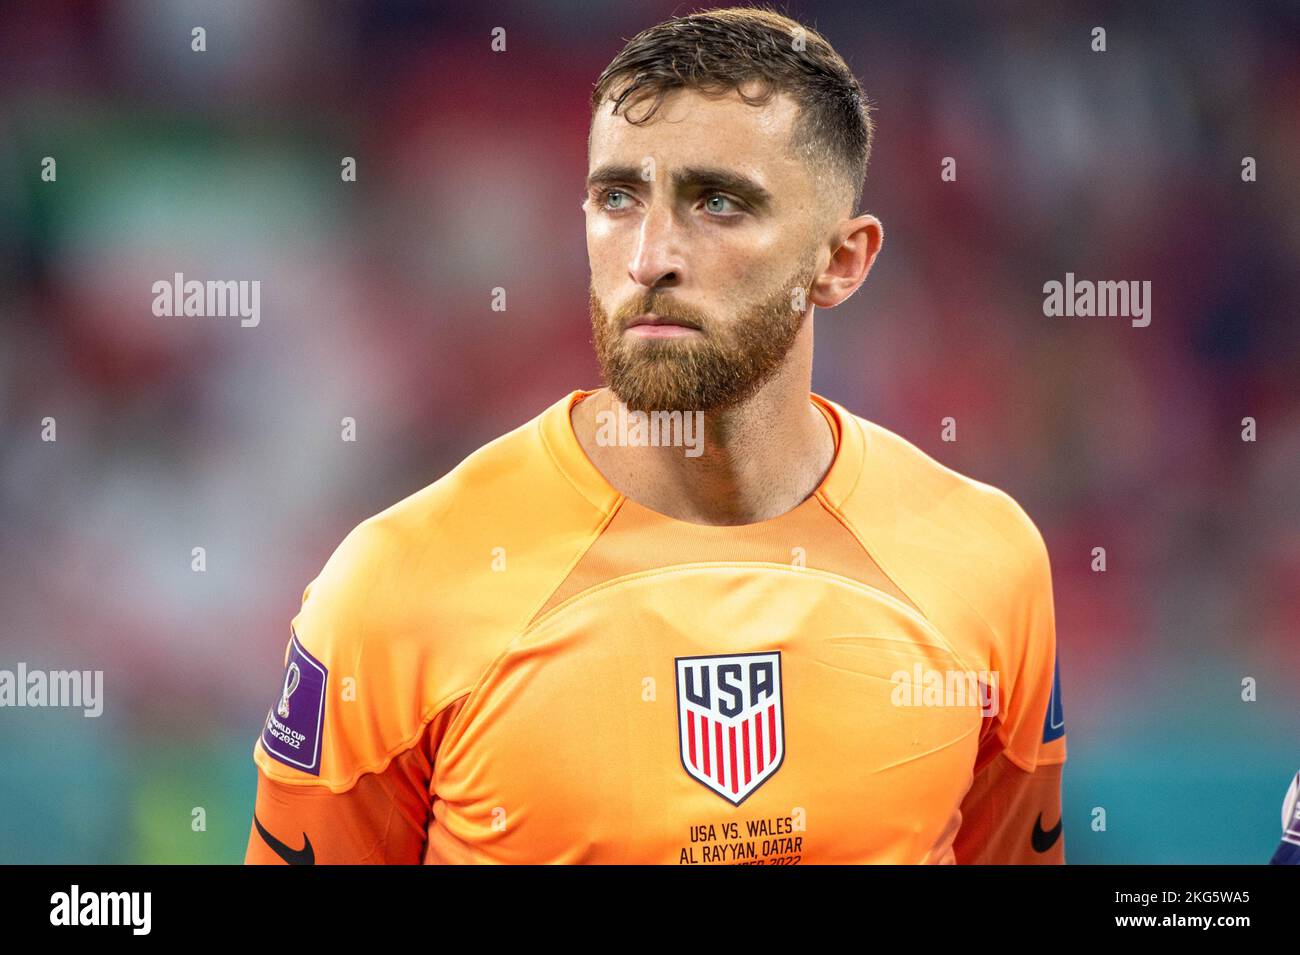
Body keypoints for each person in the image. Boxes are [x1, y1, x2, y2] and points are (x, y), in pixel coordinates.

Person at [245, 5, 1066, 865]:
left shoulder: (988, 561)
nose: (649, 256)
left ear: (842, 261)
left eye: (718, 202)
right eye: (617, 197)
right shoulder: (396, 589)